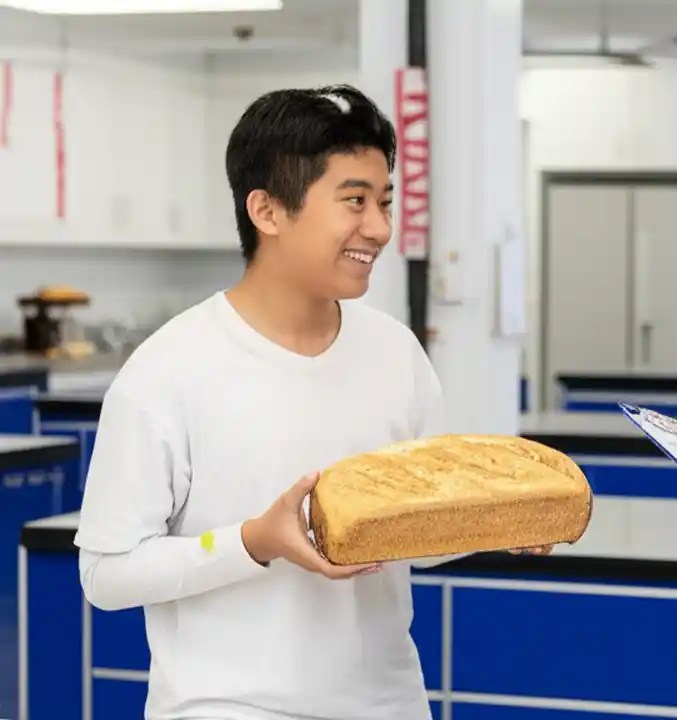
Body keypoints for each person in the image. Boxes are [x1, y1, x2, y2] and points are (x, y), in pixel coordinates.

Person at [73, 85, 540, 720]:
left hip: (388, 704)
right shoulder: (167, 370)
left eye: (384, 202)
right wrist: (253, 541)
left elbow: (411, 533)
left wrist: (492, 523)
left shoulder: (394, 353)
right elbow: (106, 574)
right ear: (266, 210)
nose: (377, 228)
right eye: (353, 201)